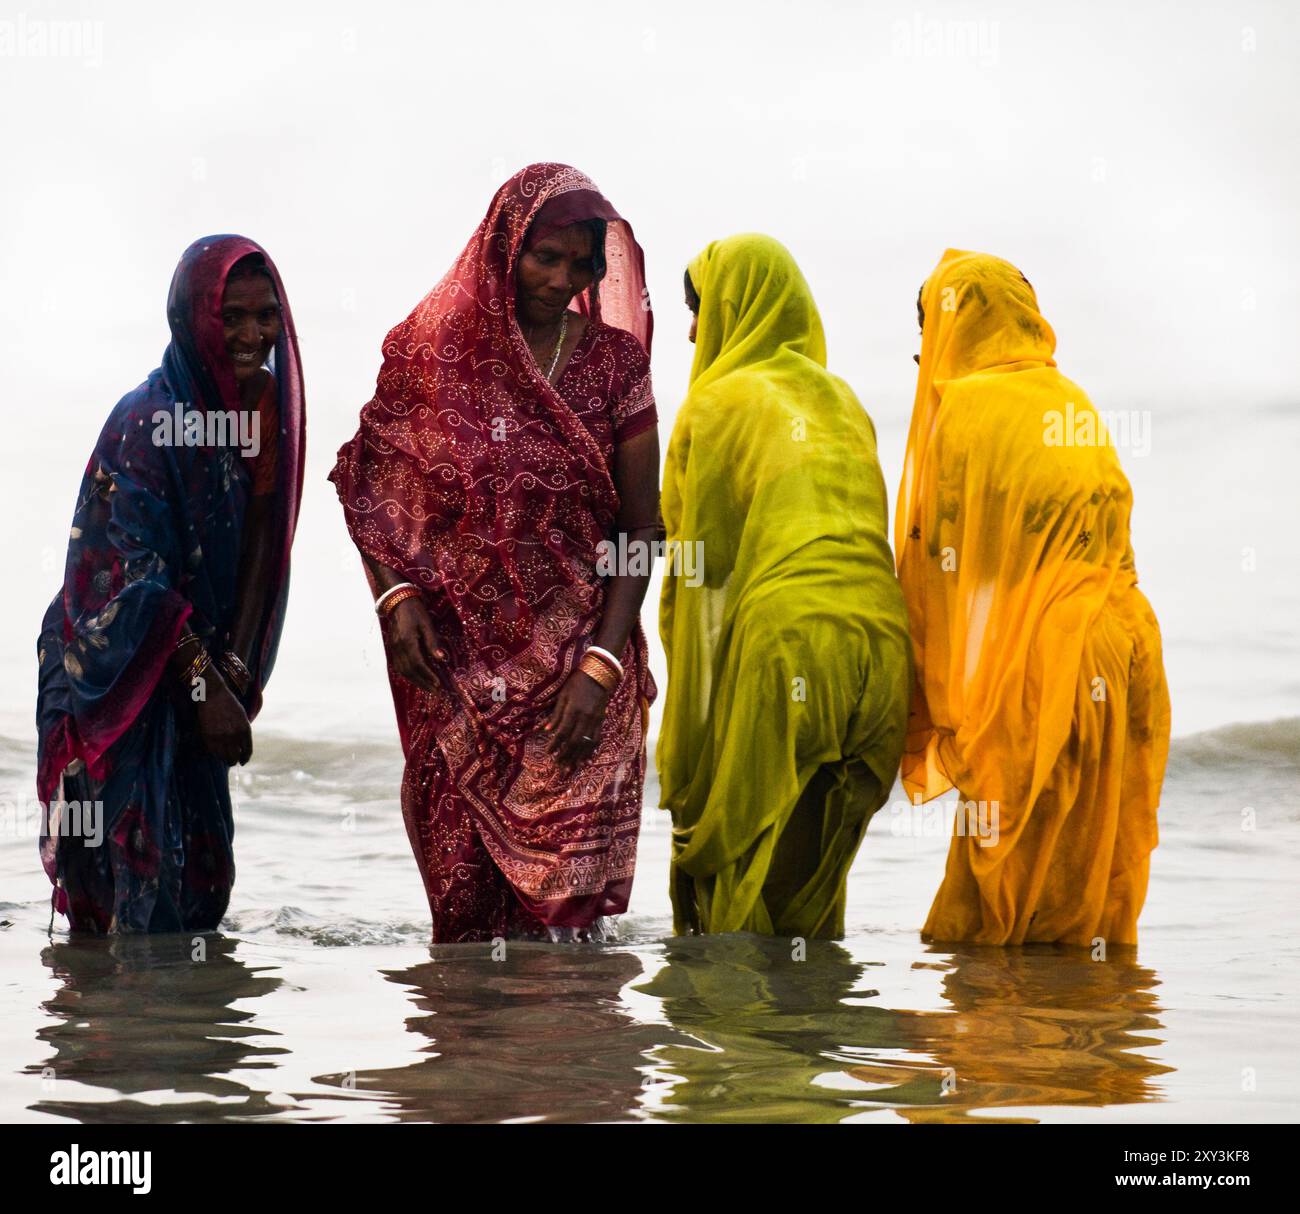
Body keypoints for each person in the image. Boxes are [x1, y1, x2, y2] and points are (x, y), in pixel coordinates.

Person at [330, 163, 659, 943]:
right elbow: (366, 481)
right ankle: (479, 1064)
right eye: (547, 257)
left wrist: (600, 667)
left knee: (564, 931)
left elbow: (640, 533)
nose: (563, 278)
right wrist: (393, 597)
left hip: (582, 672)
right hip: (457, 679)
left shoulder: (616, 365)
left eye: (582, 264)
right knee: (469, 931)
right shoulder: (431, 353)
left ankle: (570, 1066)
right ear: (506, 247)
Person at [897, 249, 1171, 946]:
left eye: (927, 328)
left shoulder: (962, 408)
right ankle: (1085, 1028)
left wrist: (942, 715)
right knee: (1090, 872)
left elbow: (941, 572)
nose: (920, 351)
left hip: (1044, 665)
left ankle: (1010, 1041)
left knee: (1000, 901)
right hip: (1129, 653)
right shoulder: (1069, 398)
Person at [36, 235, 306, 934]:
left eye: (267, 316)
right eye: (232, 317)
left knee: (199, 886)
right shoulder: (148, 422)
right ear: (190, 320)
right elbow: (132, 576)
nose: (252, 336)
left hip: (200, 663)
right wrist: (203, 684)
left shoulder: (264, 409)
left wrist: (234, 672)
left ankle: (182, 1028)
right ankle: (116, 1028)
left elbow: (260, 550)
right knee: (124, 890)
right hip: (113, 666)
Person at [657, 233, 910, 939]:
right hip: (884, 650)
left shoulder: (716, 404)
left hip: (787, 642)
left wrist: (690, 755)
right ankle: (809, 1030)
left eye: (698, 313)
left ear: (730, 311)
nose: (689, 333)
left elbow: (700, 577)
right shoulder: (844, 401)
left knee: (736, 868)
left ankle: (740, 1047)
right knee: (813, 878)